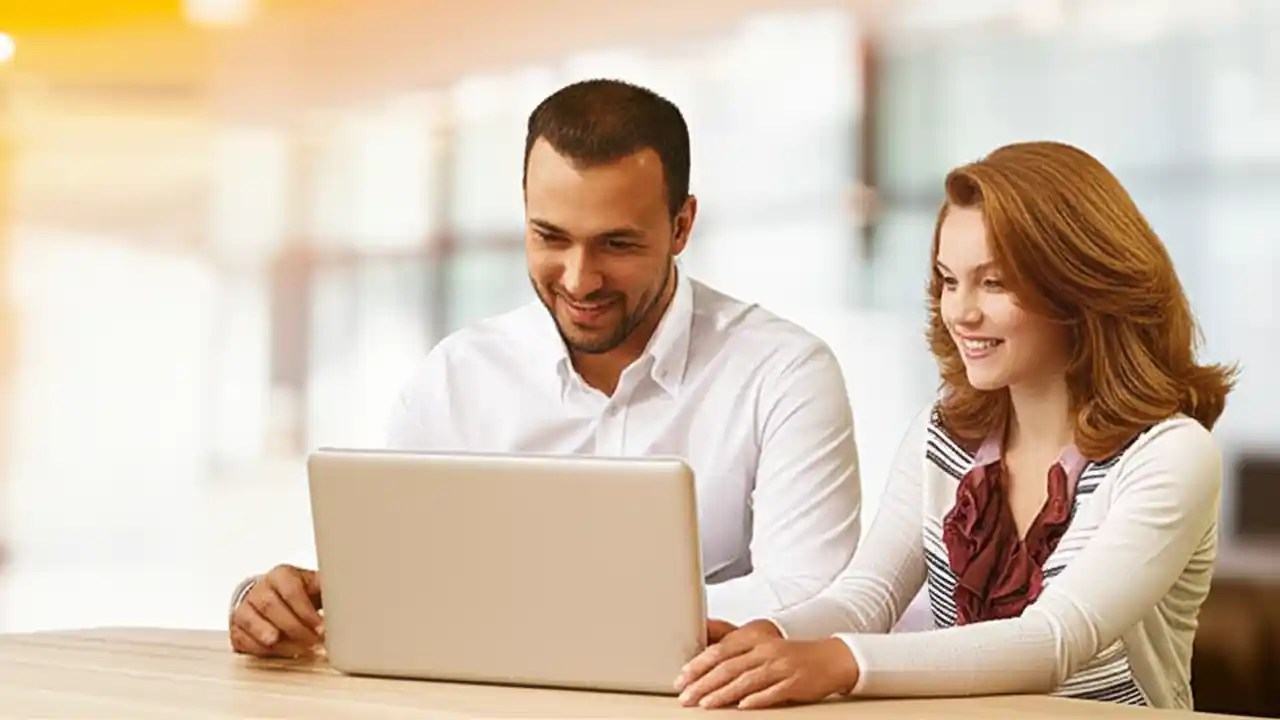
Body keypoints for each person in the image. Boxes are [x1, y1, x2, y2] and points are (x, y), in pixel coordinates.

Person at [227, 79, 862, 658]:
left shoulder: (783, 372)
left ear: (681, 225)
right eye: (550, 237)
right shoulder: (459, 376)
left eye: (617, 243)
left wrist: (544, 615)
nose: (580, 280)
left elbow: (814, 593)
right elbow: (392, 579)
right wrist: (272, 603)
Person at [674, 141, 1236, 711]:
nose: (961, 312)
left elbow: (1055, 641)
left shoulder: (1170, 454)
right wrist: (774, 635)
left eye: (993, 283)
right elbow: (867, 595)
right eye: (948, 280)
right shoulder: (941, 434)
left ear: (1079, 285)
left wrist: (839, 660)